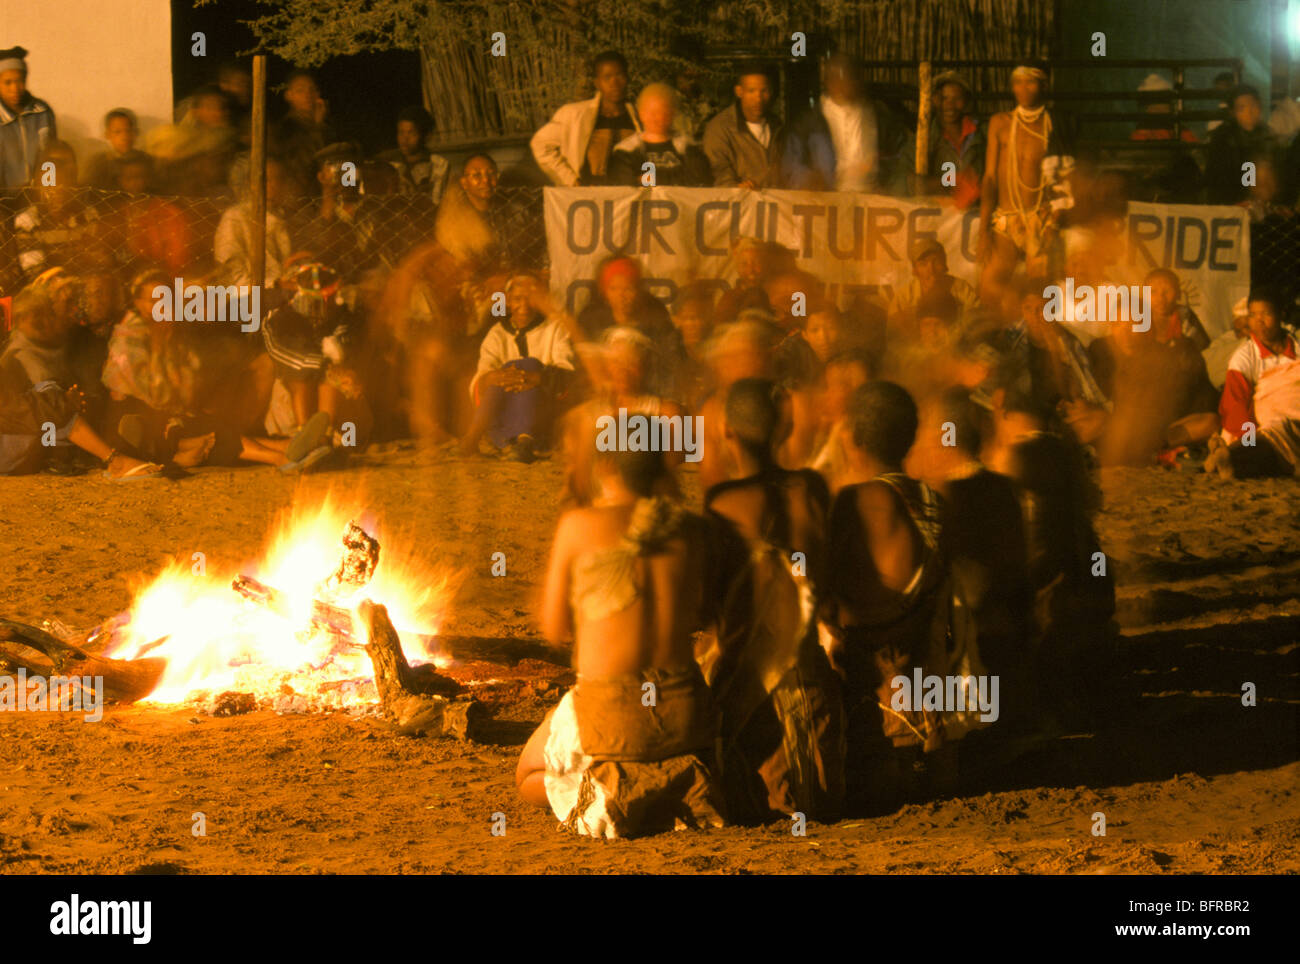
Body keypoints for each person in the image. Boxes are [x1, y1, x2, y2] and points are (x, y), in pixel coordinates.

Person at [515, 439, 728, 838]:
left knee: (527, 775)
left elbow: (551, 626)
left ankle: (606, 793)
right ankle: (667, 782)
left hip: (612, 718)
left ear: (607, 466)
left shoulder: (580, 525)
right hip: (686, 714)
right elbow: (709, 614)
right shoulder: (696, 530)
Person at [703, 377, 846, 823]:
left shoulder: (724, 503)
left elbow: (710, 608)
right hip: (815, 691)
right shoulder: (812, 488)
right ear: (783, 429)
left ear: (727, 431)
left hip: (752, 699)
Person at [827, 381, 974, 813]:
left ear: (853, 438)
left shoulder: (853, 503)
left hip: (875, 709)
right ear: (910, 437)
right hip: (932, 700)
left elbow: (823, 594)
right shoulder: (936, 501)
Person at [908, 387, 1032, 730]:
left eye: (925, 434)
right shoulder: (999, 489)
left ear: (941, 438)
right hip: (1006, 646)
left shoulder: (945, 498)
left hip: (975, 649)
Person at [978, 64, 1074, 301]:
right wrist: (982, 231)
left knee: (1038, 293)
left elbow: (1065, 179)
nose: (1024, 87)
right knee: (990, 288)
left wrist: (1053, 224)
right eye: (1018, 82)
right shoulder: (1000, 123)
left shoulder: (1055, 124)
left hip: (1041, 219)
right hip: (1006, 218)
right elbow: (990, 177)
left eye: (1030, 81)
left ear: (1043, 85)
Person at [461, 273, 577, 461]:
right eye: (517, 299)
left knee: (529, 364)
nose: (523, 306)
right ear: (507, 302)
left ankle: (520, 439)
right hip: (502, 429)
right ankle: (477, 437)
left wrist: (537, 377)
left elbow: (567, 375)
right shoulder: (497, 333)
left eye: (530, 299)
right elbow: (481, 377)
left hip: (541, 426)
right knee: (500, 373)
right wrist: (495, 378)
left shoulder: (554, 329)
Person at [781, 53, 909, 195]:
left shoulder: (880, 117)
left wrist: (888, 180)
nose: (843, 84)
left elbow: (903, 156)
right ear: (827, 82)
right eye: (837, 78)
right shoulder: (809, 123)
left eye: (849, 78)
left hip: (872, 202)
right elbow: (791, 165)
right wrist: (807, 179)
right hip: (829, 203)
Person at [1207, 289, 1300, 478]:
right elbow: (1236, 407)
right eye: (1253, 315)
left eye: (1266, 314)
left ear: (1280, 314)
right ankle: (1231, 457)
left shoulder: (1298, 346)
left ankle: (1224, 458)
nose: (1259, 321)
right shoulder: (1244, 358)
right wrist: (1250, 438)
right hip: (1258, 428)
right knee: (1268, 440)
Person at [575, 256, 683, 396]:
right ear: (605, 292)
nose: (621, 296)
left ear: (638, 291)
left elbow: (668, 370)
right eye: (614, 289)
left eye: (628, 289)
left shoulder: (657, 321)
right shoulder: (591, 320)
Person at [530, 51, 640, 187]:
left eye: (619, 75)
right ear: (597, 83)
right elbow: (540, 144)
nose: (614, 83)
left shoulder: (640, 116)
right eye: (607, 77)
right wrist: (571, 181)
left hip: (630, 199)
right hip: (590, 200)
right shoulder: (574, 115)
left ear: (627, 78)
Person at [12, 141, 103, 283]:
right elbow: (36, 274)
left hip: (85, 286)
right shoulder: (28, 221)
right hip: (47, 291)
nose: (56, 194)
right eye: (50, 188)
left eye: (62, 187)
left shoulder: (88, 215)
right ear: (39, 187)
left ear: (72, 186)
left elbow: (98, 261)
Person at [608, 84, 710, 188]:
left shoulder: (688, 147)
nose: (654, 118)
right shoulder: (626, 150)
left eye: (661, 112)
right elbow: (625, 187)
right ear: (640, 113)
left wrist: (651, 178)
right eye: (650, 112)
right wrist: (676, 176)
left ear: (672, 113)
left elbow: (699, 180)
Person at [214, 156, 294, 286]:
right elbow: (232, 274)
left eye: (278, 180)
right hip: (247, 299)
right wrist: (274, 284)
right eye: (266, 180)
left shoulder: (285, 218)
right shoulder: (235, 217)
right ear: (251, 184)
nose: (273, 186)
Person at [702, 64, 784, 188]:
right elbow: (718, 171)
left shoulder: (778, 125)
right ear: (739, 92)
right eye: (751, 91)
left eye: (764, 91)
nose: (758, 98)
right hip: (742, 205)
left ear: (771, 92)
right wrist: (737, 189)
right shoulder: (719, 128)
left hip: (776, 204)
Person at [919, 71, 985, 208]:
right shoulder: (923, 142)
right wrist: (950, 182)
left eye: (957, 98)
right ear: (933, 101)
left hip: (979, 213)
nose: (949, 105)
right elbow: (902, 181)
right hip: (941, 220)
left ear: (966, 102)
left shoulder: (983, 135)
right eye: (944, 98)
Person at [887, 238, 980, 332]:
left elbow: (977, 322)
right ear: (915, 271)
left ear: (944, 265)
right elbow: (894, 332)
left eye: (936, 262)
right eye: (923, 264)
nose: (931, 270)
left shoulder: (962, 289)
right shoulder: (904, 297)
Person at [1206, 85, 1277, 206]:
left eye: (1253, 105)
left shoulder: (1267, 135)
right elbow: (1218, 179)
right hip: (1229, 205)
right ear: (1233, 113)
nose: (1249, 112)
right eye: (1242, 108)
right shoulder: (1223, 137)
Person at [0, 46, 56, 190]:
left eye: (20, 81)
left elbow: (52, 156)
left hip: (40, 195)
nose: (15, 89)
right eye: (8, 82)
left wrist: (48, 189)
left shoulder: (42, 112)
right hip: (5, 201)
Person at [273, 70, 336, 196]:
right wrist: (318, 128)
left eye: (312, 90)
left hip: (329, 190)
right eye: (300, 91)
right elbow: (305, 164)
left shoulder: (325, 124)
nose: (308, 95)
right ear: (288, 95)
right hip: (301, 195)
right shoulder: (286, 128)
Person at [375, 106, 450, 202]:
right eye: (401, 132)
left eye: (411, 133)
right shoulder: (390, 164)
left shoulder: (439, 165)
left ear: (425, 135)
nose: (405, 139)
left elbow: (437, 200)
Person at [84, 109, 150, 191]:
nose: (125, 137)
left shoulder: (146, 160)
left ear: (136, 133)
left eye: (128, 131)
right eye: (117, 132)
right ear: (107, 135)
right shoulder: (98, 162)